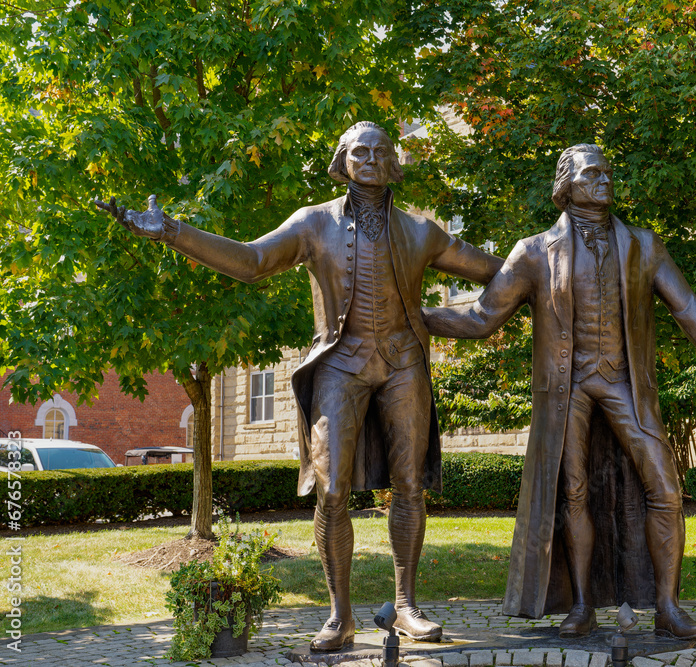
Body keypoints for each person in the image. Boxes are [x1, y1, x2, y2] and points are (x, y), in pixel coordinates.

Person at [96, 122, 503, 651]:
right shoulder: (315, 223)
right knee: (331, 488)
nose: (373, 158)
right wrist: (174, 231)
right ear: (343, 160)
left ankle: (406, 605)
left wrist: (449, 315)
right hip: (341, 362)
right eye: (361, 150)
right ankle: (340, 615)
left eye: (383, 151)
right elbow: (252, 260)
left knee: (408, 485)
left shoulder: (421, 231)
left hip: (404, 365)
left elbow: (499, 274)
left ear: (395, 163)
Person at [423, 144, 696, 639]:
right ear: (566, 186)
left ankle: (667, 607)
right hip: (566, 387)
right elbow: (483, 316)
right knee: (573, 493)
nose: (604, 180)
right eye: (592, 173)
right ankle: (580, 604)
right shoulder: (533, 252)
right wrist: (418, 320)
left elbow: (686, 306)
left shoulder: (643, 245)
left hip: (624, 382)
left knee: (665, 487)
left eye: (608, 173)